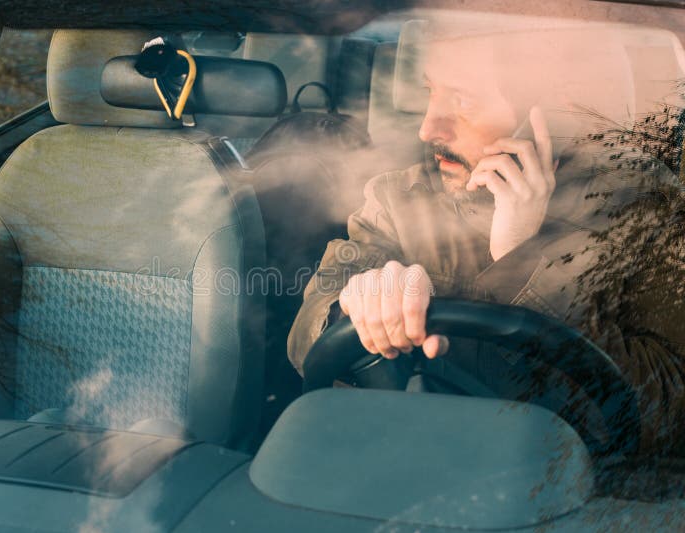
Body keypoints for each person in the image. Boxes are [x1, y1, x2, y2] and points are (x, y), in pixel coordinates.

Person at [287, 27, 685, 458]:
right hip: (411, 465)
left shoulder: (648, 206)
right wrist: (355, 307)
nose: (428, 128)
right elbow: (305, 342)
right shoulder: (396, 199)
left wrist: (521, 260)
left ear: (549, 115)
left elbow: (667, 415)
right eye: (430, 92)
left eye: (462, 101)